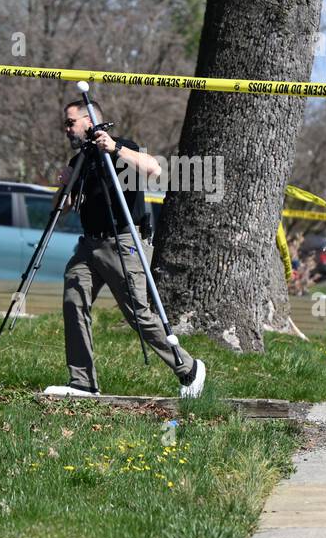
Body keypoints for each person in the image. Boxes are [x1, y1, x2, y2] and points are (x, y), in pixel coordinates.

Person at [42, 98, 206, 399]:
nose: (65, 129)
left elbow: (154, 169)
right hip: (89, 244)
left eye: (70, 122)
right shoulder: (78, 161)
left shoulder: (122, 147)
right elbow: (62, 208)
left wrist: (115, 149)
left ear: (89, 122)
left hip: (125, 241)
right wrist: (63, 186)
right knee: (73, 300)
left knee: (139, 314)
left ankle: (189, 368)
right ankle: (82, 382)